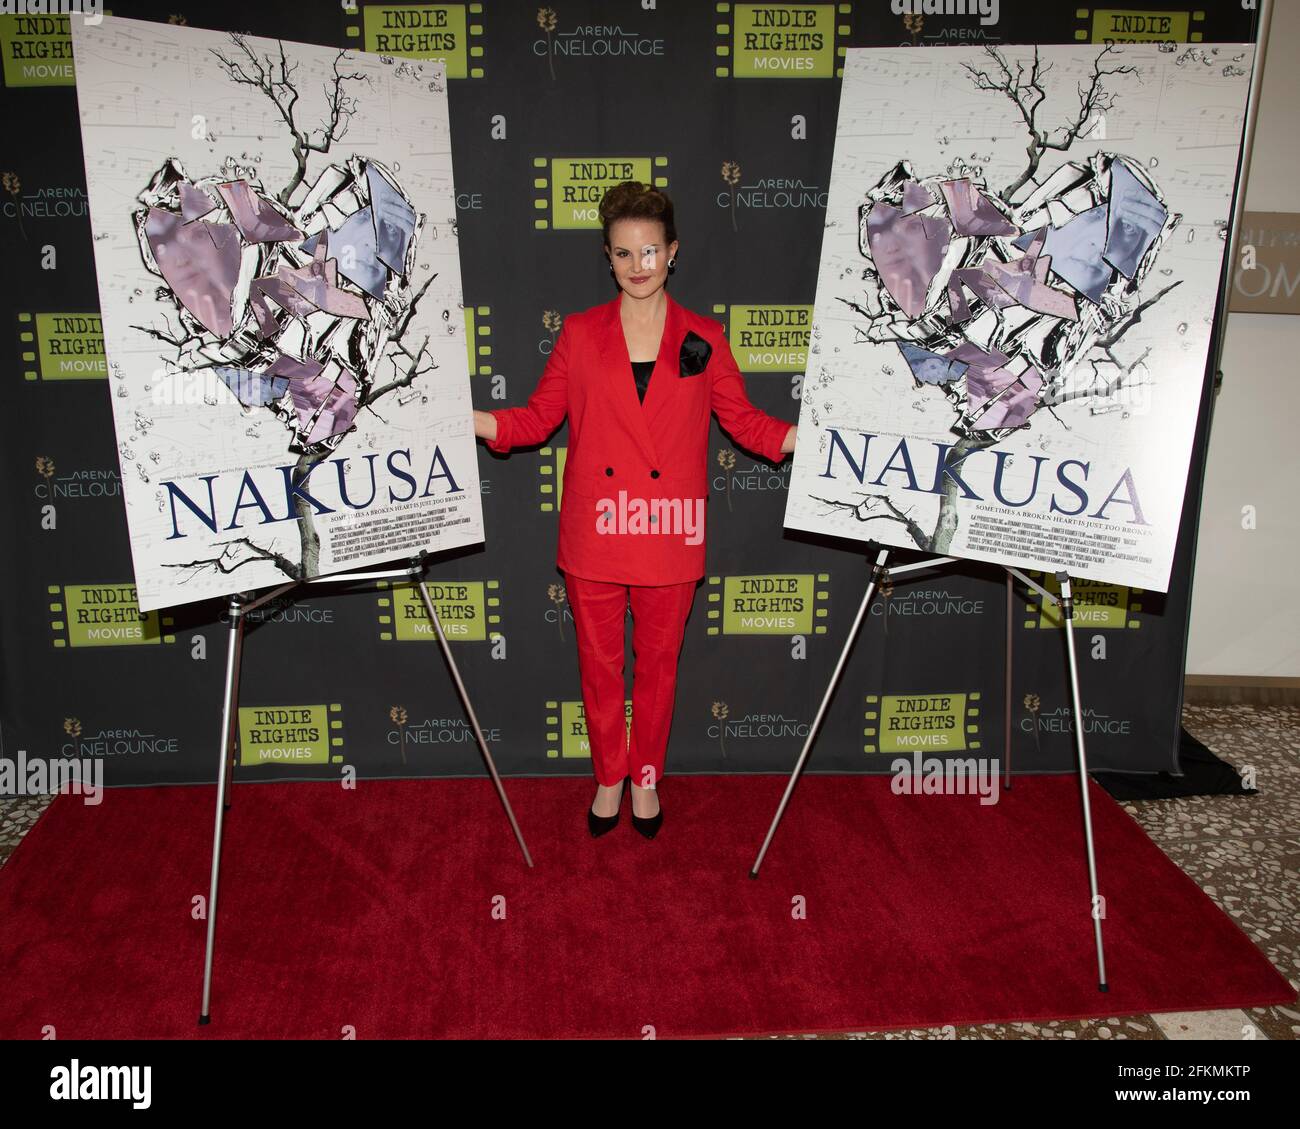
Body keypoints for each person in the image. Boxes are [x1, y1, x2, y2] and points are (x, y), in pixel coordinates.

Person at [473, 181, 797, 840]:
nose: (638, 264)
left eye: (651, 250)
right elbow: (536, 420)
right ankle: (609, 775)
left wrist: (820, 442)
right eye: (624, 253)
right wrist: (464, 419)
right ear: (608, 257)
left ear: (673, 252)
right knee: (599, 669)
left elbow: (746, 423)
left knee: (658, 669)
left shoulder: (703, 336)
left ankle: (645, 778)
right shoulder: (580, 333)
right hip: (596, 532)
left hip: (669, 534)